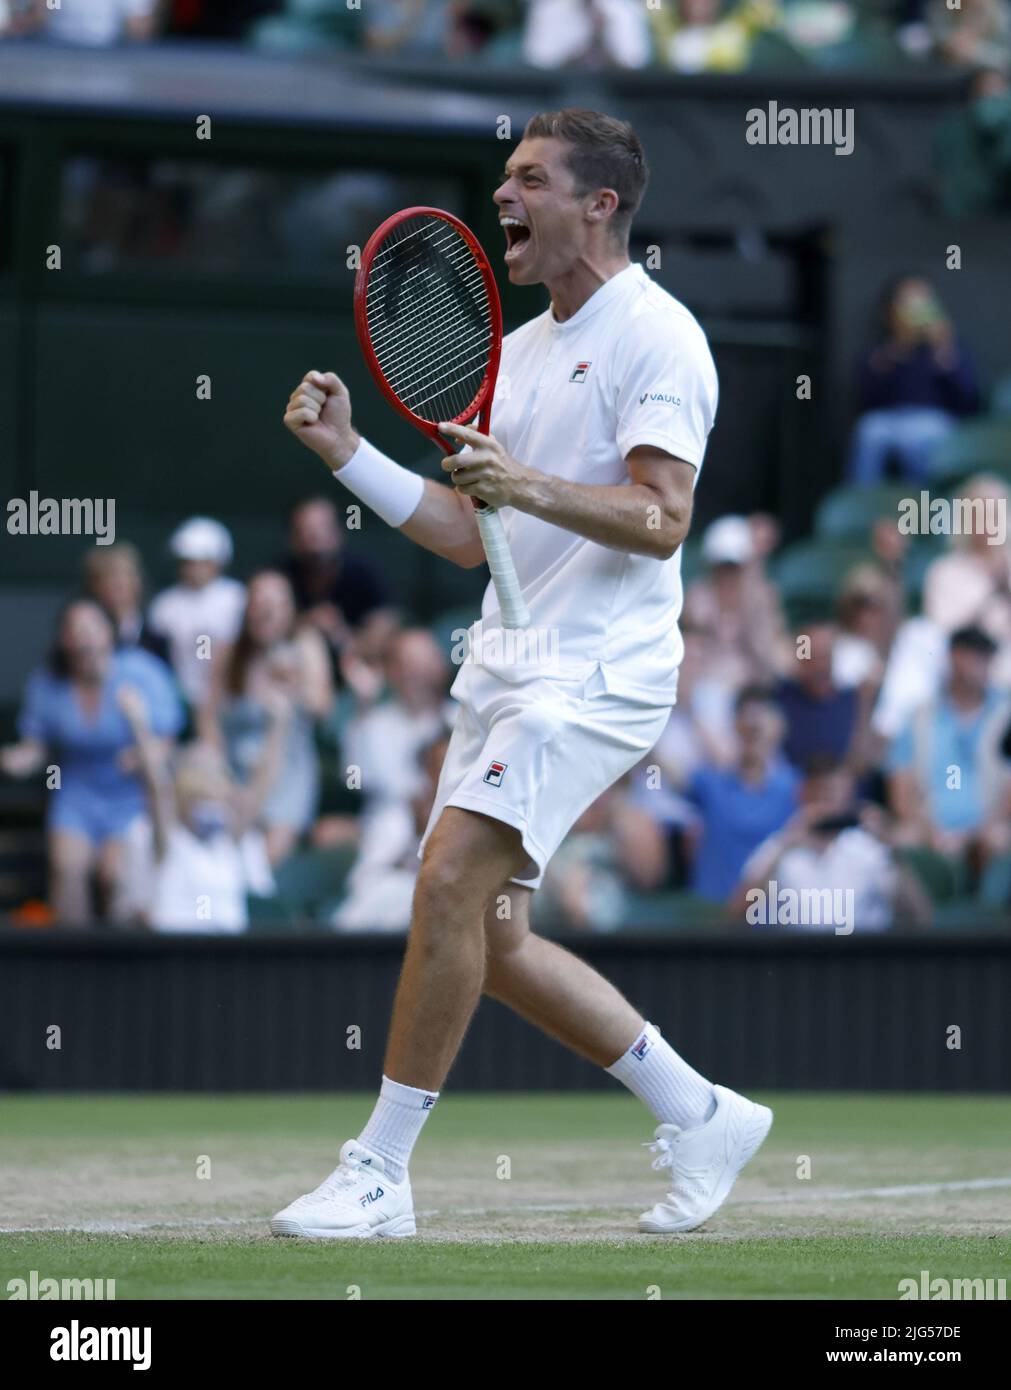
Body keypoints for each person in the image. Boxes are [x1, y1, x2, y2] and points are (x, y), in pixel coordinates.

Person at [275, 108, 772, 1242]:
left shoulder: (662, 337)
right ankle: (700, 1113)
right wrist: (350, 453)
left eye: (529, 177)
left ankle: (378, 1172)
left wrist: (529, 484)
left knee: (447, 878)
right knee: (488, 936)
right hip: (507, 664)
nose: (503, 192)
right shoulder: (522, 349)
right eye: (505, 174)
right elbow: (464, 529)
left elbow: (662, 518)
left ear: (599, 204)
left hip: (595, 673)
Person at [0, 599, 183, 925]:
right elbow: (36, 747)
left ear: (109, 634)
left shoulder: (142, 672)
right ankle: (71, 964)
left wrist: (142, 752)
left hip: (129, 799)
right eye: (74, 631)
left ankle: (117, 965)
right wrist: (17, 759)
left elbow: (166, 743)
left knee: (114, 876)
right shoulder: (47, 682)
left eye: (92, 628)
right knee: (67, 870)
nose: (83, 638)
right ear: (63, 640)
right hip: (75, 795)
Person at [119, 685, 286, 934]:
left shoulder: (230, 840)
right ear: (183, 790)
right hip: (177, 956)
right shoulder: (170, 839)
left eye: (215, 775)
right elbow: (157, 787)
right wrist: (138, 722)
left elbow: (263, 784)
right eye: (199, 775)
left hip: (225, 958)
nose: (208, 785)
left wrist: (278, 724)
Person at [199, 570, 333, 868]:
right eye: (259, 603)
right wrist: (216, 766)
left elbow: (322, 708)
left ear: (289, 610)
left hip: (287, 776)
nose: (266, 611)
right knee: (219, 852)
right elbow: (207, 715)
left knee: (264, 861)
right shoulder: (230, 652)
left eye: (275, 604)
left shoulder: (305, 644)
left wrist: (295, 683)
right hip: (232, 774)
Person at [730, 758, 933, 931]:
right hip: (795, 962)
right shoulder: (780, 845)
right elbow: (736, 917)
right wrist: (785, 846)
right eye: (819, 794)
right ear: (802, 795)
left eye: (833, 794)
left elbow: (919, 916)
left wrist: (891, 850)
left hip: (860, 960)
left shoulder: (870, 848)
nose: (826, 804)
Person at [887, 625, 1011, 875]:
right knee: (901, 841)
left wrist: (982, 831)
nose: (982, 665)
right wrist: (930, 832)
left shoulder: (1006, 713)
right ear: (954, 657)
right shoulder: (918, 717)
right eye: (975, 656)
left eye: (986, 658)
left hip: (989, 829)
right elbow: (901, 789)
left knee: (1001, 839)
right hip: (928, 829)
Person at [847, 276, 980, 486]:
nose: (916, 310)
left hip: (934, 420)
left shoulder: (946, 351)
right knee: (869, 429)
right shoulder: (880, 354)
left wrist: (944, 352)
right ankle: (862, 504)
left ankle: (921, 507)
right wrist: (898, 350)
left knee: (917, 435)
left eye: (923, 302)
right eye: (908, 302)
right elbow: (866, 403)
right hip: (891, 420)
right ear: (890, 311)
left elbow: (969, 402)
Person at [685, 686, 799, 902]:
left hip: (773, 918)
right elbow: (668, 779)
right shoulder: (709, 782)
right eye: (747, 727)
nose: (753, 729)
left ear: (779, 727)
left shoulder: (796, 787)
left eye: (759, 727)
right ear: (735, 727)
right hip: (714, 917)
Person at [279, 496, 396, 679]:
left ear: (338, 533)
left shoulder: (362, 572)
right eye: (306, 531)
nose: (314, 538)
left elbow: (384, 629)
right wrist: (306, 623)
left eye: (321, 529)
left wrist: (343, 635)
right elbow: (264, 630)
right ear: (294, 539)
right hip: (297, 674)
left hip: (358, 671)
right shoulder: (282, 575)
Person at [148, 517, 246, 709]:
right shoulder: (164, 605)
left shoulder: (237, 598)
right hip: (177, 697)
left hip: (230, 697)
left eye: (201, 561)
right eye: (187, 561)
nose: (193, 569)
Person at [82, 542, 172, 669]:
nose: (119, 585)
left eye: (126, 576)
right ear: (95, 586)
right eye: (110, 578)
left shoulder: (157, 631)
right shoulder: (83, 639)